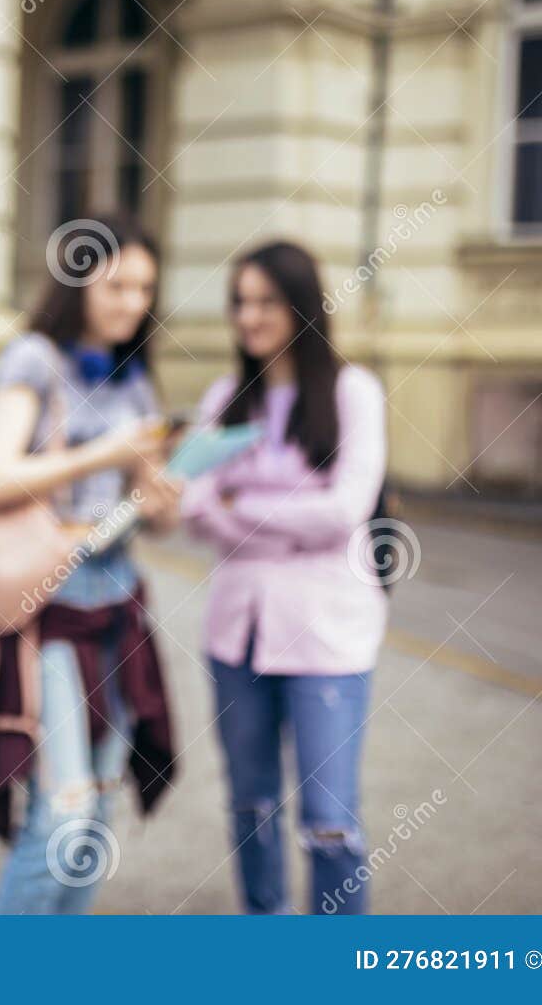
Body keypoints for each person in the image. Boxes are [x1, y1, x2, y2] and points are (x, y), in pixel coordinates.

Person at [0, 214, 182, 914]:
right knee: (60, 814)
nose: (131, 302)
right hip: (52, 609)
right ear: (78, 278)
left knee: (97, 816)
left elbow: (154, 511)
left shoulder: (134, 376)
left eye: (145, 288)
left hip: (119, 600)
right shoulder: (36, 357)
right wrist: (108, 453)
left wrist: (163, 496)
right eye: (117, 284)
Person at [180, 239, 387, 914]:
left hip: (328, 637)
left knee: (329, 821)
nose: (249, 316)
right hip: (238, 635)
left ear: (302, 306)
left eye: (266, 301)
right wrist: (269, 515)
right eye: (240, 301)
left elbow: (343, 513)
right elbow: (190, 505)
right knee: (251, 805)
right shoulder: (224, 399)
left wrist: (239, 507)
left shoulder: (353, 393)